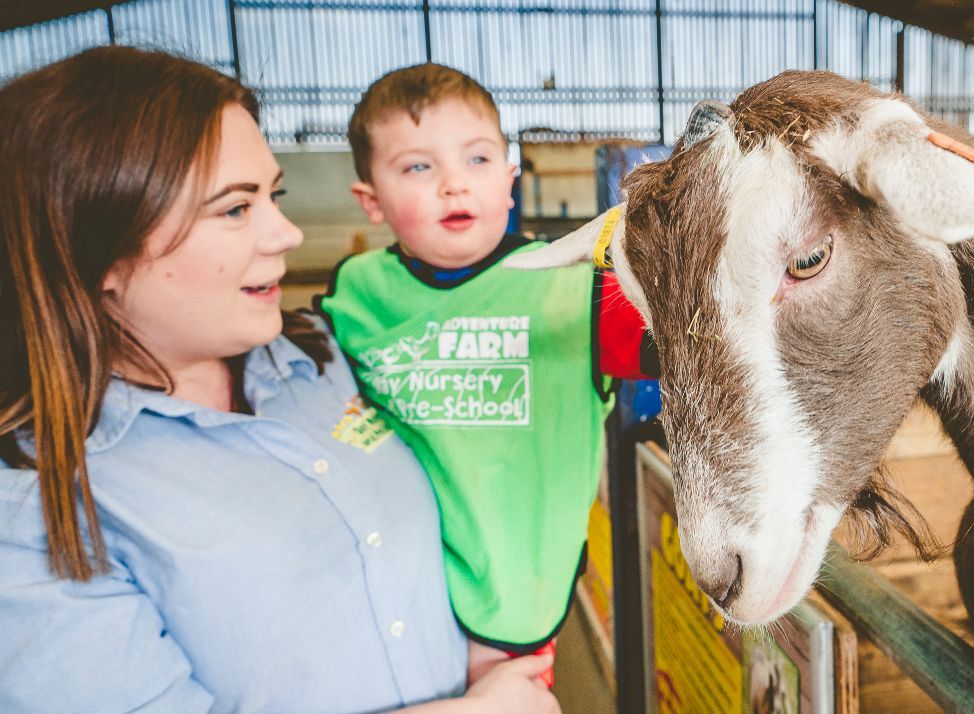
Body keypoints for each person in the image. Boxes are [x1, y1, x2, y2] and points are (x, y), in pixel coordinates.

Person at [0, 46, 557, 714]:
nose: (287, 234)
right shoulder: (38, 505)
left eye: (274, 195)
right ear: (99, 250)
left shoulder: (317, 355)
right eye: (235, 209)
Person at [318, 63, 655, 682]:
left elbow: (701, 345)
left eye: (476, 161)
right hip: (386, 600)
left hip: (512, 603)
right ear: (371, 201)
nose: (453, 185)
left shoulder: (578, 286)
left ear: (508, 179)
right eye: (419, 167)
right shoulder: (355, 297)